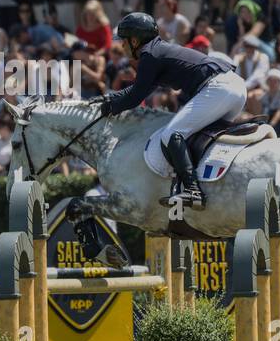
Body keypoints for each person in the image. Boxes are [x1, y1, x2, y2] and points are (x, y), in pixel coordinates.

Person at [98, 12, 247, 208]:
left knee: (171, 134)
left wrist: (109, 107)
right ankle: (209, 185)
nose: (121, 46)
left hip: (218, 88)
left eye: (124, 41)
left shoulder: (149, 55)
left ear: (134, 41)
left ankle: (193, 191)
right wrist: (106, 98)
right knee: (198, 137)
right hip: (234, 87)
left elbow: (136, 96)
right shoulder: (157, 51)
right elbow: (140, 89)